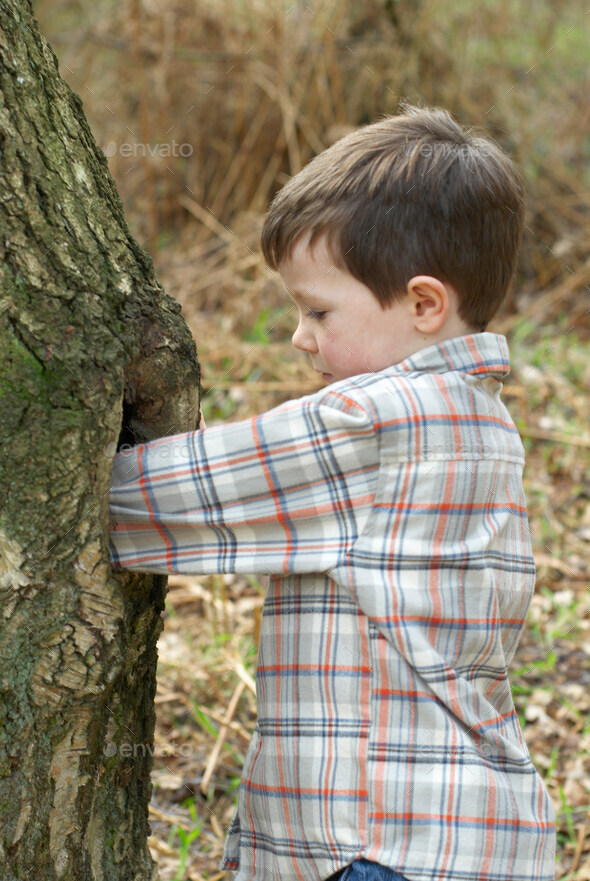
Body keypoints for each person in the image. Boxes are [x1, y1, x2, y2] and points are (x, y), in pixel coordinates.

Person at [109, 105, 556, 881]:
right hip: (465, 837)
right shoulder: (486, 423)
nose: (299, 336)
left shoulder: (372, 424)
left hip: (379, 846)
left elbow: (156, 496)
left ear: (424, 305)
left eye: (317, 310)